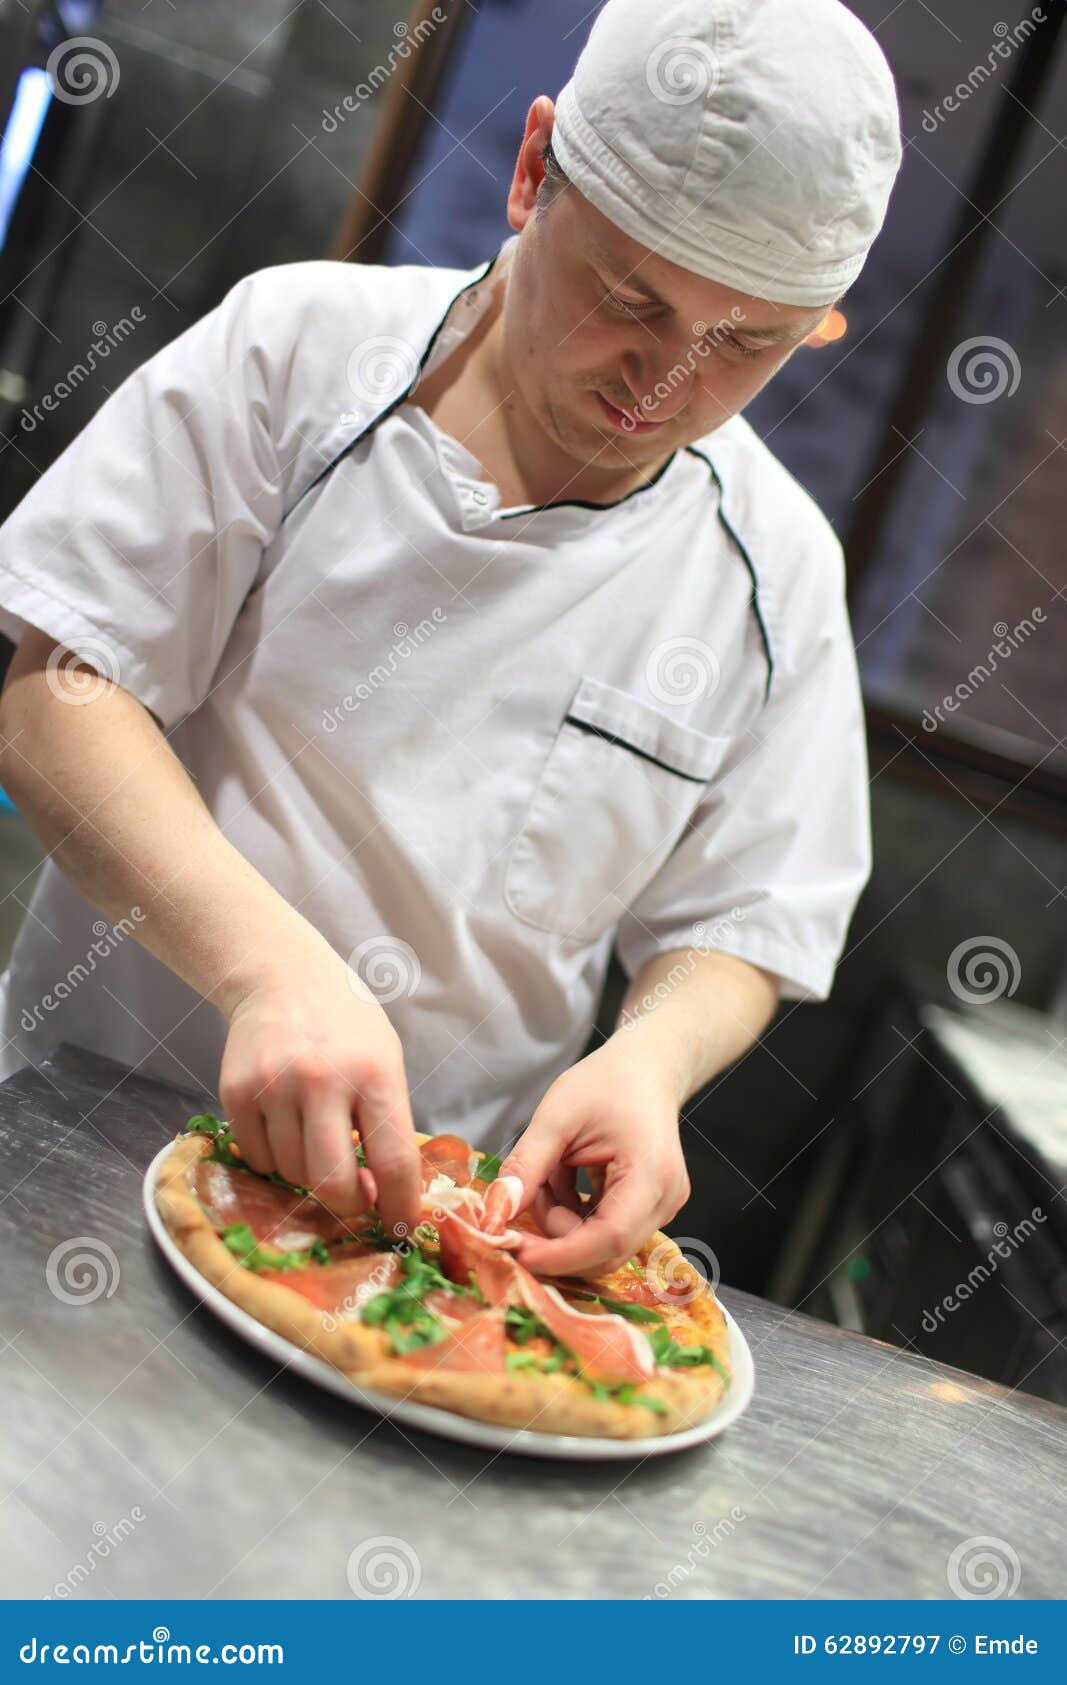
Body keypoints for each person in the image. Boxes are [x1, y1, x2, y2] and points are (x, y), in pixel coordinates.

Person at [0, 0, 901, 1275]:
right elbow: (59, 695)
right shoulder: (295, 353)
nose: (658, 383)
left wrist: (648, 1059)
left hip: (422, 1240)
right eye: (626, 299)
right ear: (533, 172)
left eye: (741, 344)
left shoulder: (776, 570)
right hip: (81, 1130)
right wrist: (267, 972)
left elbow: (745, 918)